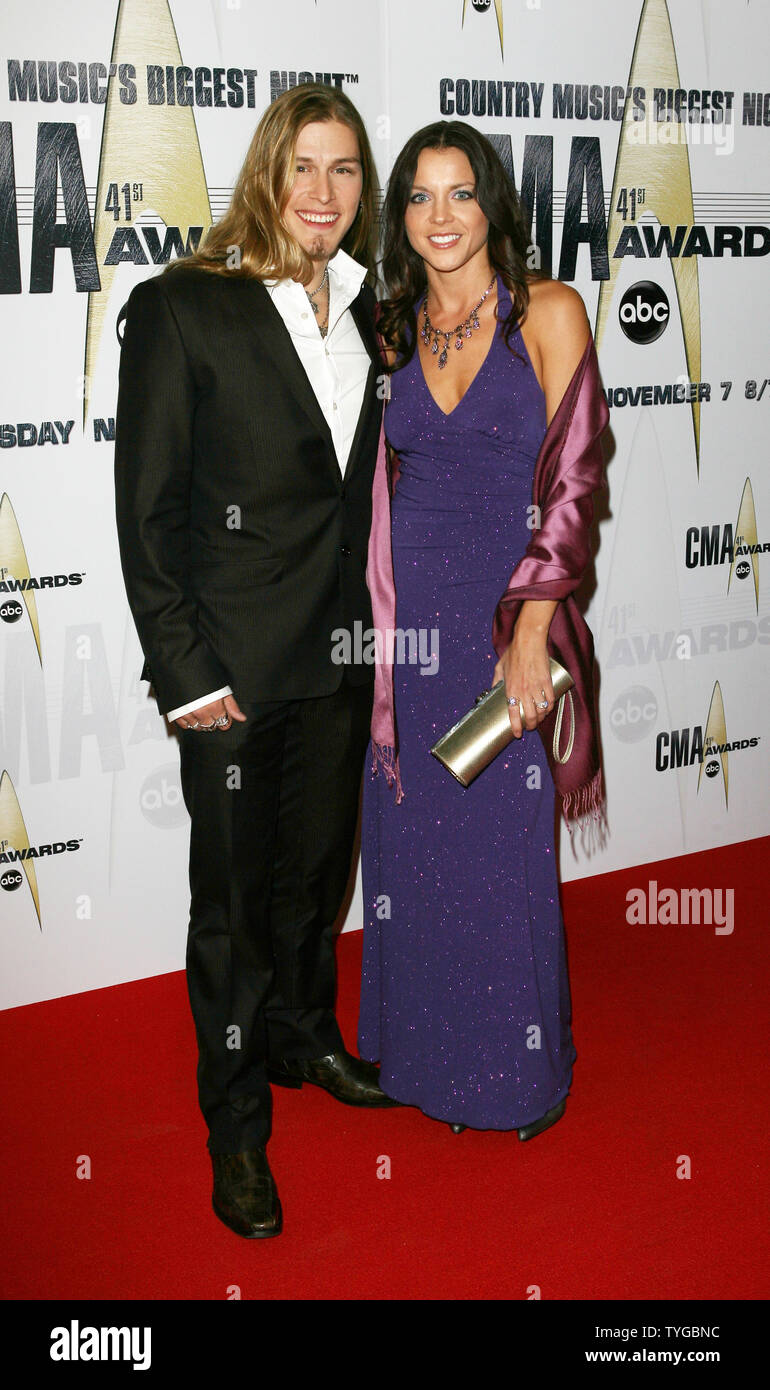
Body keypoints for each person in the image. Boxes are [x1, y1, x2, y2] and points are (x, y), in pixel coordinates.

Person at [114, 84, 398, 1242]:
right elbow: (148, 511)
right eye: (304, 168)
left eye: (345, 172)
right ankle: (235, 1130)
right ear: (266, 176)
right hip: (227, 671)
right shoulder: (186, 306)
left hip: (335, 655)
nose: (323, 194)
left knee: (314, 872)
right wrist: (184, 673)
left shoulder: (377, 314)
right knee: (230, 910)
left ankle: (300, 1035)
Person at [360, 120, 609, 1136]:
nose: (439, 216)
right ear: (400, 219)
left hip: (507, 611)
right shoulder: (388, 332)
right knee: (414, 845)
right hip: (405, 625)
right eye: (418, 197)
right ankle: (420, 1060)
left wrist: (532, 627)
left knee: (502, 852)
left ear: (491, 203)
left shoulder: (543, 312)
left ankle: (514, 1076)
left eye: (459, 193)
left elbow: (577, 481)